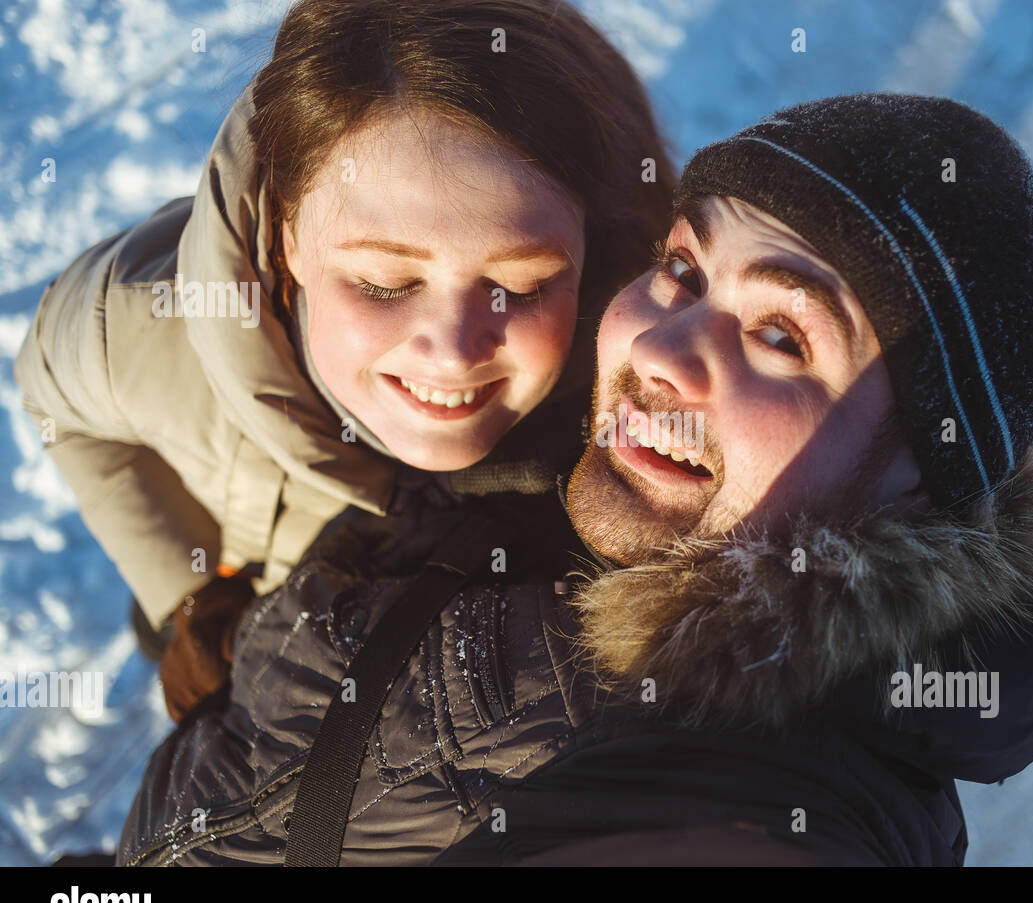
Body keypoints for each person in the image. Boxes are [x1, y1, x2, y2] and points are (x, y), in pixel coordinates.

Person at [117, 93, 1033, 866]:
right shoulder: (533, 453)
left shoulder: (772, 780)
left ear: (920, 487)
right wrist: (234, 652)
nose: (660, 346)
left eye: (779, 337)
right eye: (684, 269)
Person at [13, 0, 673, 719]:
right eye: (384, 284)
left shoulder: (630, 411)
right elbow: (57, 401)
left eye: (521, 287)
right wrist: (188, 594)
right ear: (287, 234)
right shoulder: (134, 327)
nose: (453, 351)